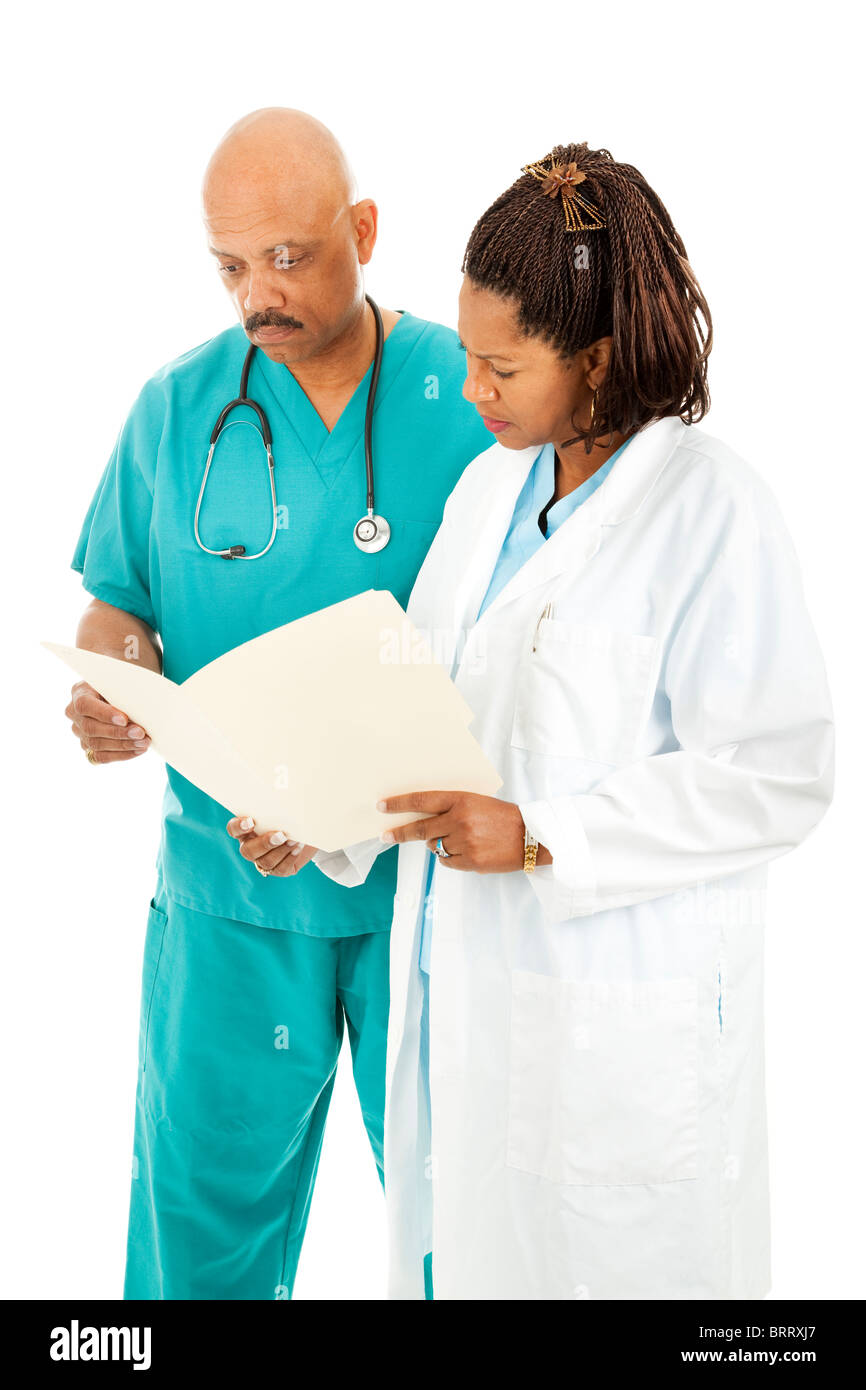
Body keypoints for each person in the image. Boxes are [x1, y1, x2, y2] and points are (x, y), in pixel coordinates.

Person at [311, 143, 836, 1300]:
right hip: (464, 1011)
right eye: (466, 359)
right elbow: (427, 705)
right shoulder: (489, 489)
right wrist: (326, 813)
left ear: (596, 360)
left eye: (501, 367)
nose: (474, 391)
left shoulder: (711, 514)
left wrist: (545, 832)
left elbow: (776, 775)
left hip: (615, 1049)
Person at [65, 107, 489, 1300]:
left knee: (460, 1227)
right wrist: (116, 678)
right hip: (227, 895)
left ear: (362, 229)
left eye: (289, 258)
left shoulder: (470, 393)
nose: (258, 295)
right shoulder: (175, 408)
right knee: (196, 1239)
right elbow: (118, 599)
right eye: (231, 267)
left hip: (427, 889)